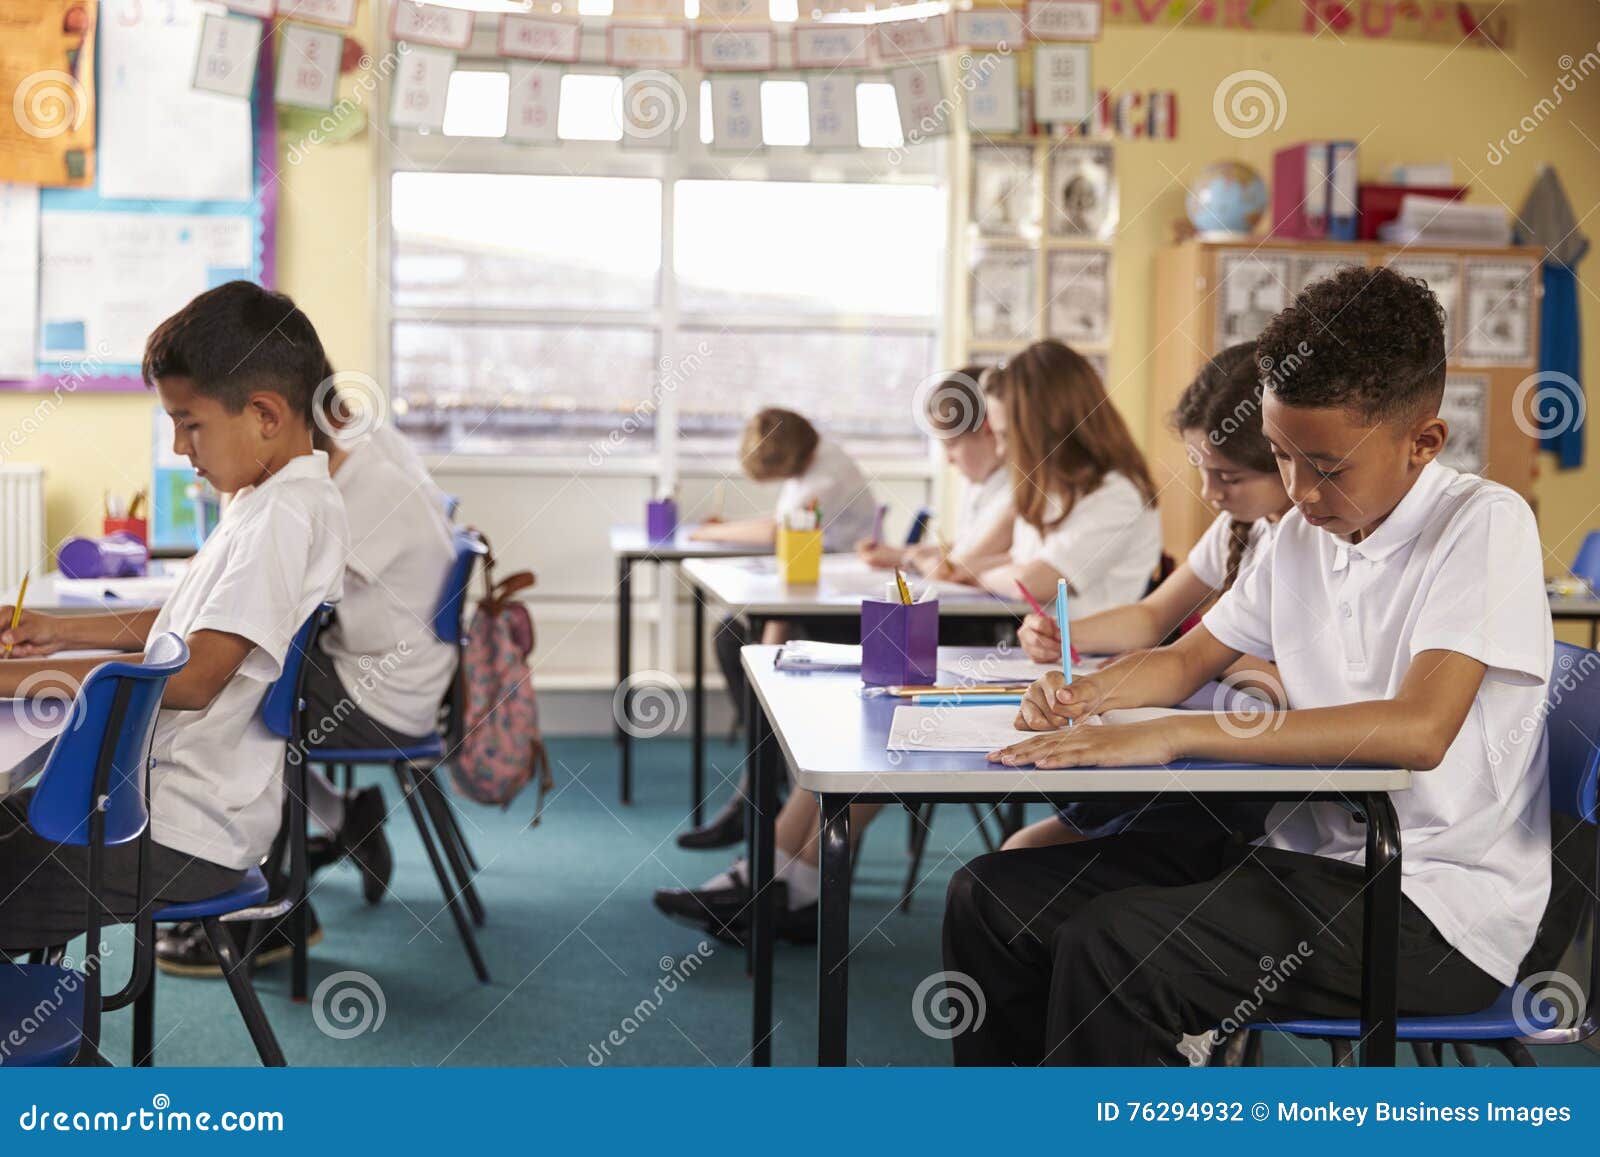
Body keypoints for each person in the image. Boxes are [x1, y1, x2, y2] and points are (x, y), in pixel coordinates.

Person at [944, 265, 1551, 1065]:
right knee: (991, 896)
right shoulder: (1299, 534)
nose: (1298, 491)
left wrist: (1172, 735)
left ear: (1423, 443)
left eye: (1327, 467)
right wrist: (1083, 692)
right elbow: (1188, 654)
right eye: (1281, 456)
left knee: (1115, 946)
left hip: (1428, 901)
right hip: (1299, 854)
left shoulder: (1482, 525)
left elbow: (1419, 729)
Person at [655, 344, 1163, 942]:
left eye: (1005, 432)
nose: (1000, 447)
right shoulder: (1050, 490)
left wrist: (985, 571)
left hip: (1079, 689)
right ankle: (775, 879)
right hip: (1033, 667)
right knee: (884, 710)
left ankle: (781, 884)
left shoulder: (1112, 495)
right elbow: (982, 567)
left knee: (891, 721)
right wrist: (983, 570)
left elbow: (1024, 577)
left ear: (1040, 424)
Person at [0, 281, 347, 953]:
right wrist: (57, 628)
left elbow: (192, 678)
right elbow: (184, 623)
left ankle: (62, 1056)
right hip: (163, 809)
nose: (182, 448)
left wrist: (20, 677)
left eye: (191, 423)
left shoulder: (281, 517)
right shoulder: (272, 497)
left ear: (266, 414)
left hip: (181, 834)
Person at [157, 382, 458, 974]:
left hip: (382, 699)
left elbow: (279, 601)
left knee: (249, 683)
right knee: (260, 675)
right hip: (388, 670)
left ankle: (274, 911)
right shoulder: (373, 456)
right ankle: (339, 819)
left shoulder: (353, 493)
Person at [1004, 340, 1291, 850]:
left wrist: (1216, 657)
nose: (1210, 493)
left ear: (1287, 460)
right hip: (1202, 743)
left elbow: (1285, 685)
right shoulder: (1239, 525)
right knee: (1024, 847)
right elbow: (1153, 615)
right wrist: (1064, 633)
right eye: (1201, 469)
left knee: (1029, 855)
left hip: (1243, 773)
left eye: (1229, 476)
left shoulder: (1308, 540)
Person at [677, 408, 877, 850]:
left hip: (845, 616)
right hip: (819, 592)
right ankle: (761, 786)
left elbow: (782, 529)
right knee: (731, 637)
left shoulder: (827, 475)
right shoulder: (813, 460)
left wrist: (712, 534)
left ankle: (762, 790)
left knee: (745, 643)